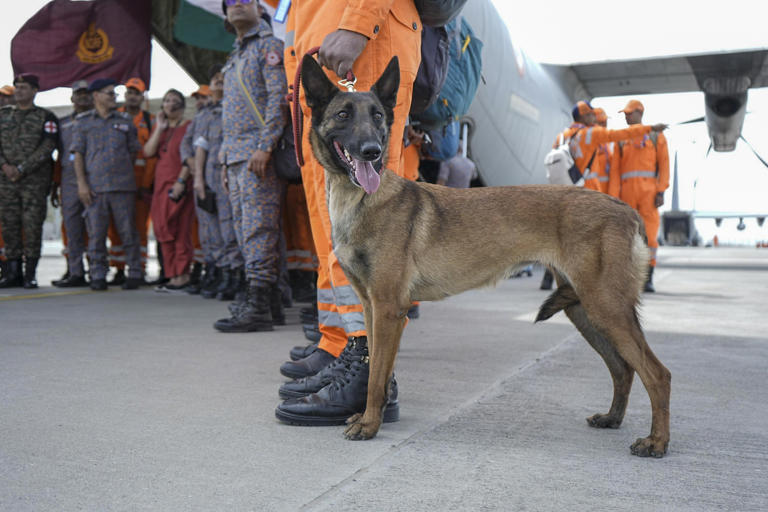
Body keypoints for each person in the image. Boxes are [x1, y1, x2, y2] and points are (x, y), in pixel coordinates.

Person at [274, 0, 422, 426]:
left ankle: (371, 371)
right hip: (323, 61)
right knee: (333, 226)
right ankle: (340, 341)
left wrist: (357, 25)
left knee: (373, 231)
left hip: (364, 44)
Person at [212, 0, 286, 333]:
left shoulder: (269, 46)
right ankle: (266, 302)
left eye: (245, 0)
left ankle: (258, 304)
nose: (236, 4)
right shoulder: (235, 56)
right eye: (229, 2)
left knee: (259, 230)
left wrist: (265, 146)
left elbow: (277, 97)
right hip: (237, 157)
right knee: (244, 230)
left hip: (257, 155)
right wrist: (226, 161)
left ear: (260, 9)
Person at [540, 100, 667, 291]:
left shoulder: (561, 137)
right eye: (591, 114)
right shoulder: (591, 134)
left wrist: (660, 189)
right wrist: (650, 128)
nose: (596, 118)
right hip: (588, 195)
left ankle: (550, 277)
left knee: (562, 236)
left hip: (565, 194)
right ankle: (580, 280)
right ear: (584, 117)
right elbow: (619, 135)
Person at [71, 78, 143, 291]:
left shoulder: (125, 120)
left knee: (129, 232)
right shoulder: (83, 122)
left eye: (114, 93)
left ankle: (135, 273)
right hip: (95, 188)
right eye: (109, 93)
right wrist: (82, 184)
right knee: (96, 235)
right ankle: (98, 275)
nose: (114, 97)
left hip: (123, 187)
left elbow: (132, 151)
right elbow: (78, 155)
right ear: (96, 96)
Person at [0, 74, 58, 289]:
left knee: (32, 226)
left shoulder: (45, 116)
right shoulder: (3, 115)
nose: (19, 91)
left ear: (34, 91)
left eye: (24, 88)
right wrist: (5, 166)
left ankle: (30, 274)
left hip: (34, 182)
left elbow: (48, 147)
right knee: (9, 226)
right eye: (17, 87)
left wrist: (22, 169)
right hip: (6, 182)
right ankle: (12, 273)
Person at [192, 65, 245, 299]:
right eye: (215, 79)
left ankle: (237, 276)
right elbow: (200, 148)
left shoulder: (236, 108)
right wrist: (198, 180)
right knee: (213, 231)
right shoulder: (206, 115)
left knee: (231, 229)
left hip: (230, 175)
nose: (219, 82)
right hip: (210, 178)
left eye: (223, 78)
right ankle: (223, 274)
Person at [609, 99, 669, 292]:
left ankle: (648, 278)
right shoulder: (621, 139)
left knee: (650, 237)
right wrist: (613, 198)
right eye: (625, 114)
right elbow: (615, 172)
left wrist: (661, 190)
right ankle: (627, 278)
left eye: (629, 113)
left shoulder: (655, 136)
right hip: (626, 196)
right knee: (626, 237)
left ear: (639, 113)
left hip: (649, 194)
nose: (626, 116)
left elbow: (664, 164)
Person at [103, 78, 157, 286]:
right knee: (115, 227)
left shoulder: (150, 121)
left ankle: (139, 269)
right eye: (129, 92)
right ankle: (118, 268)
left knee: (139, 228)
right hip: (118, 183)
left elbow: (151, 157)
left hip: (141, 185)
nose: (132, 96)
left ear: (143, 97)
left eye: (136, 93)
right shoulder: (114, 118)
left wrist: (146, 184)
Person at [144, 89, 194, 292]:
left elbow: (189, 156)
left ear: (182, 105)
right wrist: (159, 128)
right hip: (160, 187)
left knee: (181, 231)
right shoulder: (161, 128)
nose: (169, 104)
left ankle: (182, 275)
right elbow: (147, 152)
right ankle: (171, 274)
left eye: (174, 100)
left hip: (180, 184)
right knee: (163, 231)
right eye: (166, 100)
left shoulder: (188, 127)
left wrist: (181, 181)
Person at [51, 80, 92, 287]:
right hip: (68, 181)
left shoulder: (97, 119)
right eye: (79, 94)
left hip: (93, 178)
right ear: (72, 98)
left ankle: (97, 270)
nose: (83, 97)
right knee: (72, 227)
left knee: (95, 227)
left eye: (86, 93)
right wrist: (55, 184)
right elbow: (57, 155)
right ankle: (76, 272)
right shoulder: (63, 123)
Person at [180, 83, 213, 295]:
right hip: (201, 177)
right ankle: (213, 272)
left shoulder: (224, 112)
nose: (199, 102)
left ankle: (229, 274)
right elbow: (185, 143)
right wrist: (189, 160)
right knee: (206, 230)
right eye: (197, 98)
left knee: (225, 231)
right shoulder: (197, 120)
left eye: (202, 97)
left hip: (218, 174)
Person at [583, 107, 612, 194]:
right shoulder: (586, 143)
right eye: (602, 123)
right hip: (592, 192)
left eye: (605, 122)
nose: (605, 126)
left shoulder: (608, 144)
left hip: (606, 194)